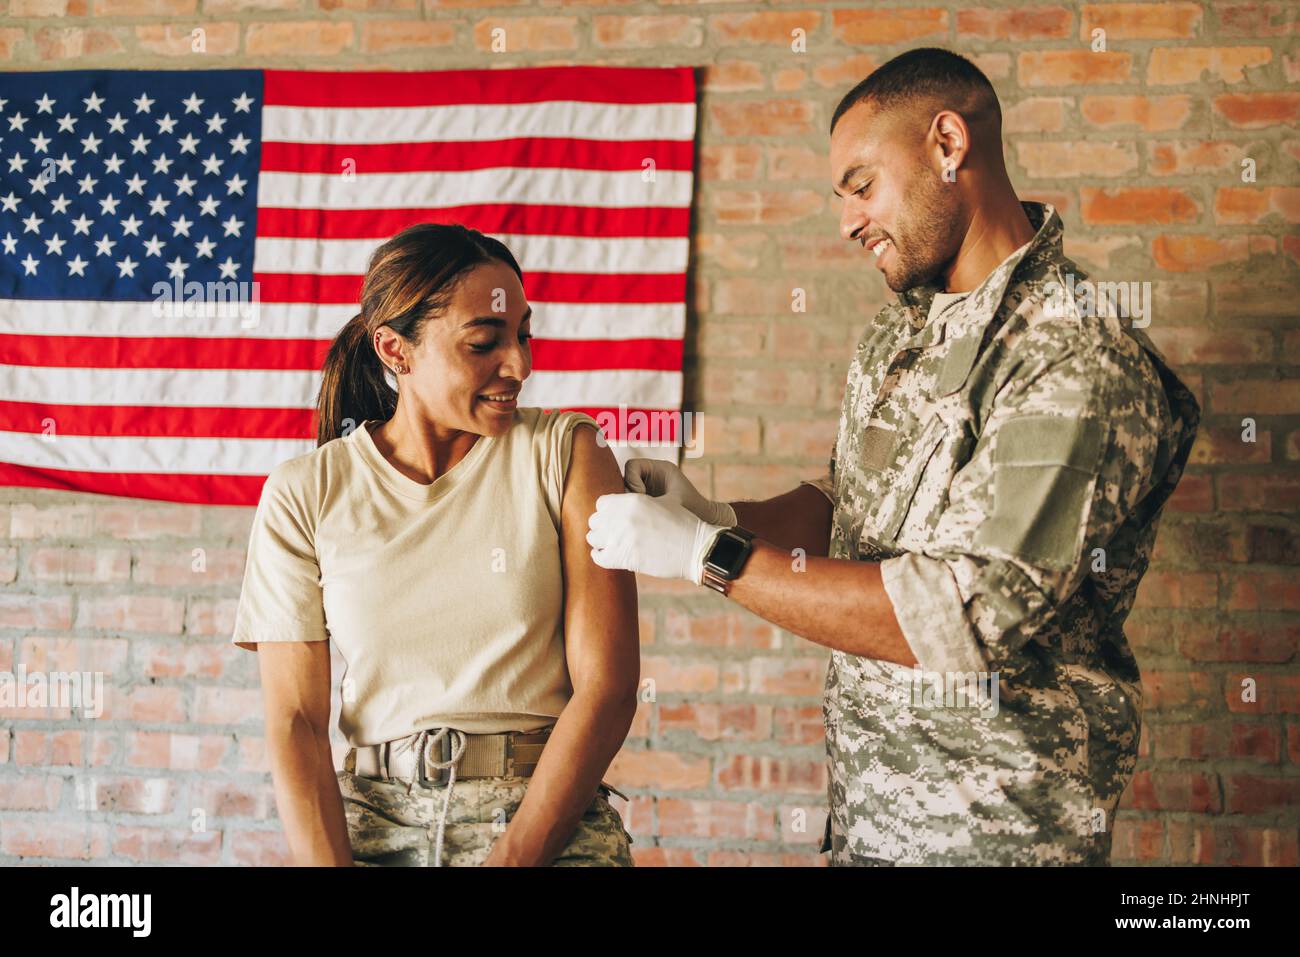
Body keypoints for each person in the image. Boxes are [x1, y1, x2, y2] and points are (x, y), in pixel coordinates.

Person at [586, 48, 1201, 865]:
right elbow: (852, 506)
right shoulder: (903, 330)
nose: (848, 222)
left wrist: (710, 557)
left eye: (862, 185)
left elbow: (962, 615)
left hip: (996, 835)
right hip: (872, 823)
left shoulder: (1072, 354)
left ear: (948, 144)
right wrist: (716, 514)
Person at [231, 223, 640, 866]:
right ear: (395, 350)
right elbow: (297, 723)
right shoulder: (304, 492)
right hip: (373, 823)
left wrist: (511, 859)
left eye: (523, 335)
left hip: (542, 821)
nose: (520, 366)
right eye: (484, 343)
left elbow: (609, 687)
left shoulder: (567, 453)